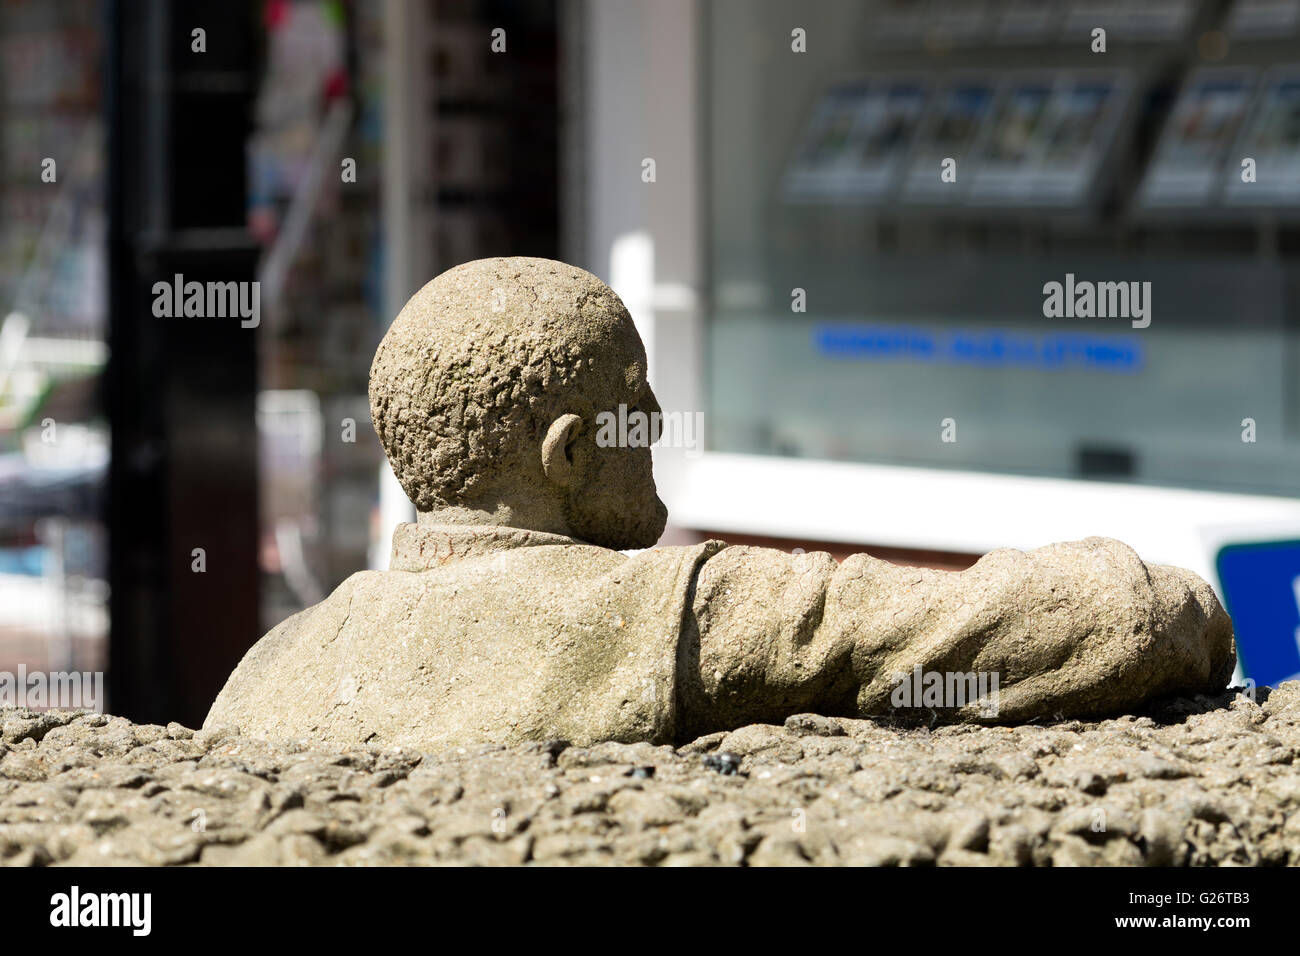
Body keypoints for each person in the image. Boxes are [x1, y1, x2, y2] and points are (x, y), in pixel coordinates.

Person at [206, 257, 1236, 749]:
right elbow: (1083, 626)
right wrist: (1178, 603)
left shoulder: (270, 667)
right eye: (632, 401)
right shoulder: (661, 613)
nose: (656, 422)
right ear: (568, 453)